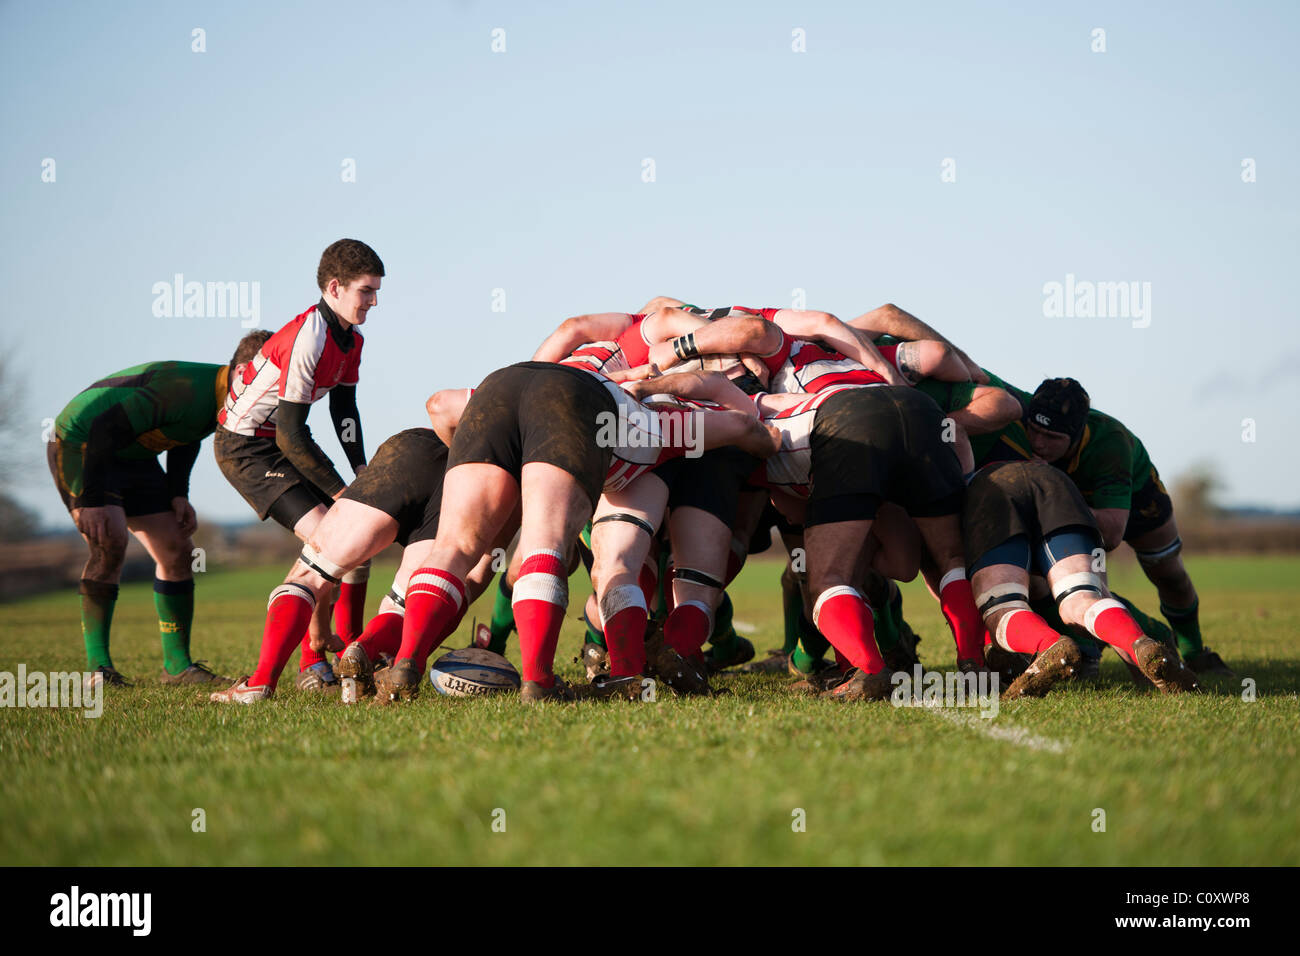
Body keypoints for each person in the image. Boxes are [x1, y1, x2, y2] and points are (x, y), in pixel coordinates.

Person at [48, 332, 268, 685]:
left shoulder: (225, 397)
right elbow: (105, 428)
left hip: (135, 455)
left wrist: (178, 493)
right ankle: (98, 670)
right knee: (111, 543)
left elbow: (186, 435)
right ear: (243, 371)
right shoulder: (185, 387)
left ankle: (178, 667)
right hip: (86, 444)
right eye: (272, 377)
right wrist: (88, 499)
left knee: (178, 550)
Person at [214, 238, 384, 689]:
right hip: (246, 448)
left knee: (354, 540)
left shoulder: (352, 339)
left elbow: (344, 414)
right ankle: (312, 661)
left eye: (376, 292)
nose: (373, 301)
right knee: (335, 538)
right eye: (365, 291)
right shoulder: (310, 335)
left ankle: (347, 644)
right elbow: (291, 434)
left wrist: (362, 474)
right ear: (334, 287)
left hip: (277, 446)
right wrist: (341, 492)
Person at [963, 459, 1200, 698]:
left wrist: (972, 656)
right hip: (1054, 482)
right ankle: (1140, 643)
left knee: (1003, 606)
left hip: (991, 488)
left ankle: (1048, 645)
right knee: (1081, 600)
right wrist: (1137, 664)